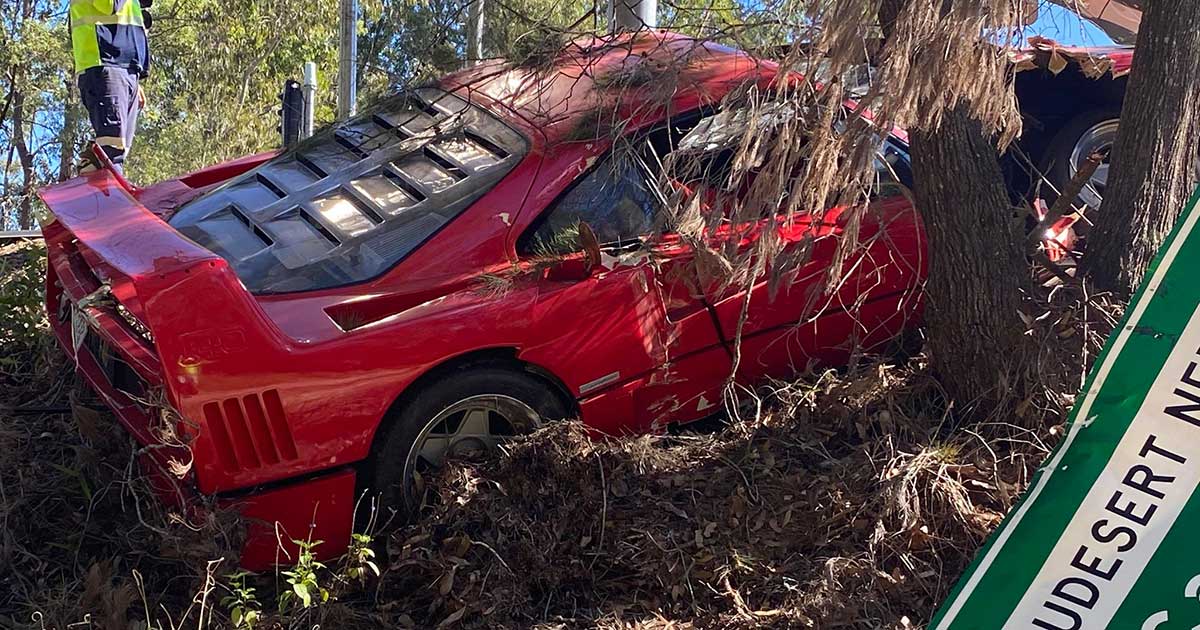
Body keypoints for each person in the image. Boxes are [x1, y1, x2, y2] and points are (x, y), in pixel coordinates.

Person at [70, 0, 152, 175]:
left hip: (125, 70)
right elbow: (108, 5)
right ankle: (98, 188)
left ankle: (96, 173)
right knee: (111, 149)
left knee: (117, 151)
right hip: (104, 63)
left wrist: (135, 78)